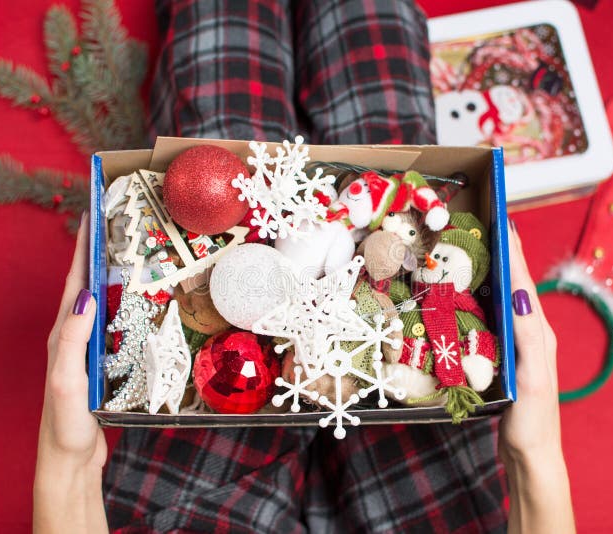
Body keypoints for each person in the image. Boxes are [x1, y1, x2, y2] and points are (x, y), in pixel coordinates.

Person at [34, 1, 575, 532]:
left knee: (221, 131)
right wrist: (537, 461)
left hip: (226, 438)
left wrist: (66, 467)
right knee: (383, 127)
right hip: (434, 476)